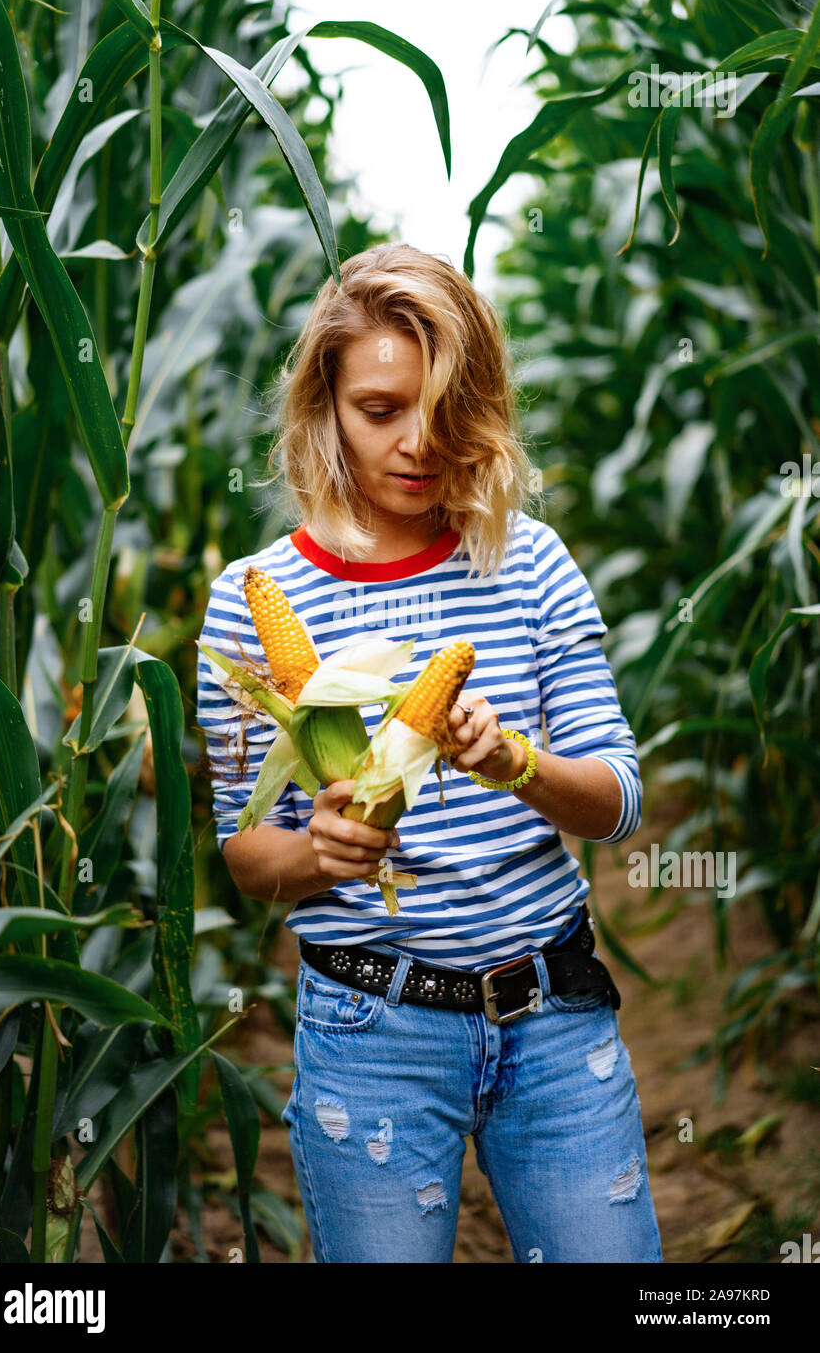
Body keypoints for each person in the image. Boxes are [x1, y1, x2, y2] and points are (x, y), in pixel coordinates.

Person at [196, 243, 662, 1264]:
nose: (416, 444)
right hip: (371, 1030)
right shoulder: (247, 602)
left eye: (446, 411)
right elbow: (244, 855)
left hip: (550, 1020)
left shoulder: (527, 562)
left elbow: (619, 799)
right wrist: (315, 851)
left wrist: (514, 764)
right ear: (323, 403)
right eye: (378, 409)